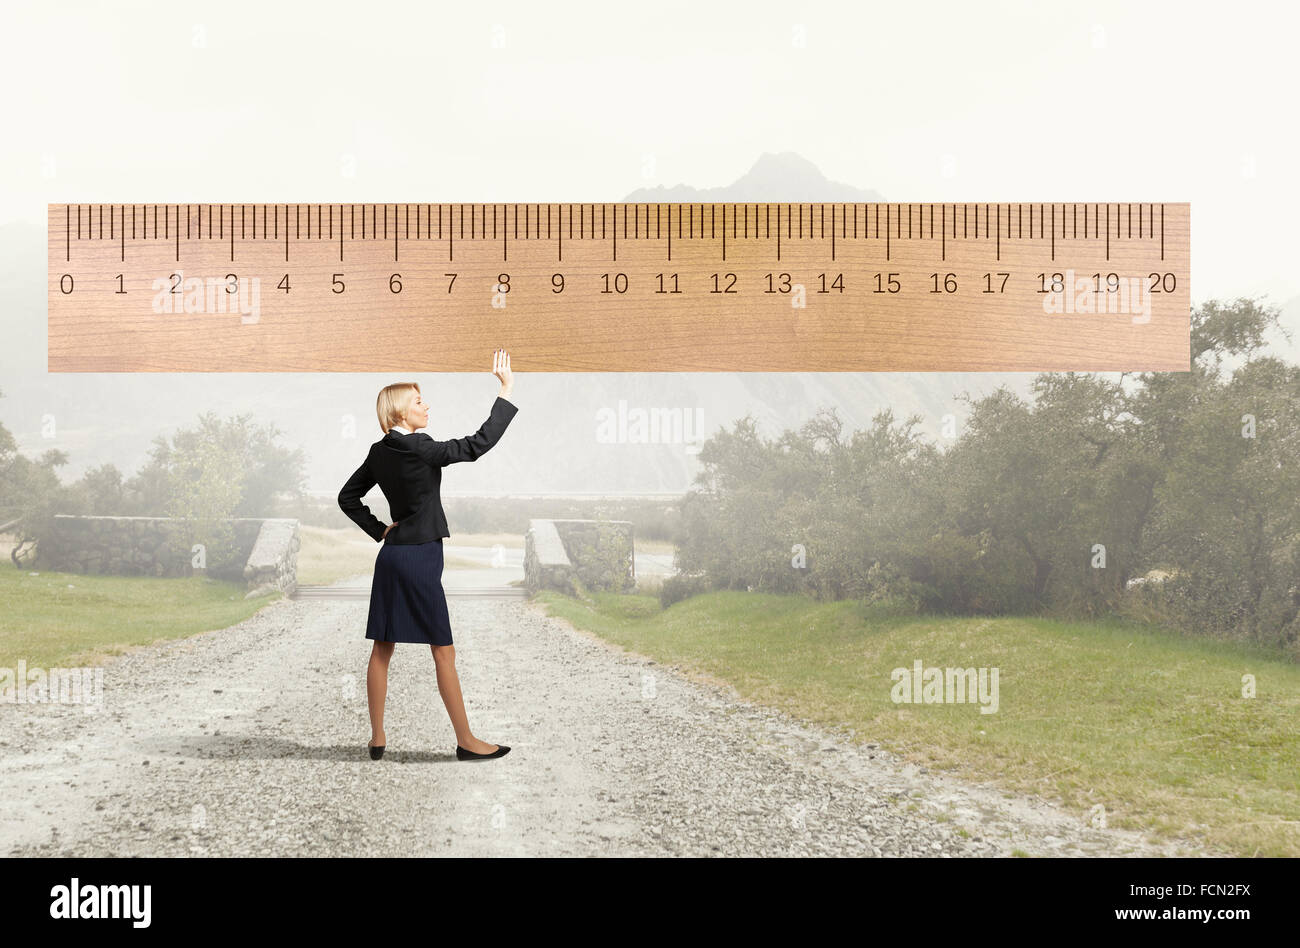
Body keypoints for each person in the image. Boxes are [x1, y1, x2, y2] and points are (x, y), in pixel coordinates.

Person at [338, 349, 518, 762]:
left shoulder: (378, 451)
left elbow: (347, 497)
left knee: (382, 648)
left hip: (392, 557)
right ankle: (467, 741)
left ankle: (377, 738)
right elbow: (476, 445)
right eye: (419, 401)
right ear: (402, 411)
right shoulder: (421, 447)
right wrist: (506, 391)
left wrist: (379, 529)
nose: (426, 406)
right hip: (420, 559)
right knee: (443, 650)